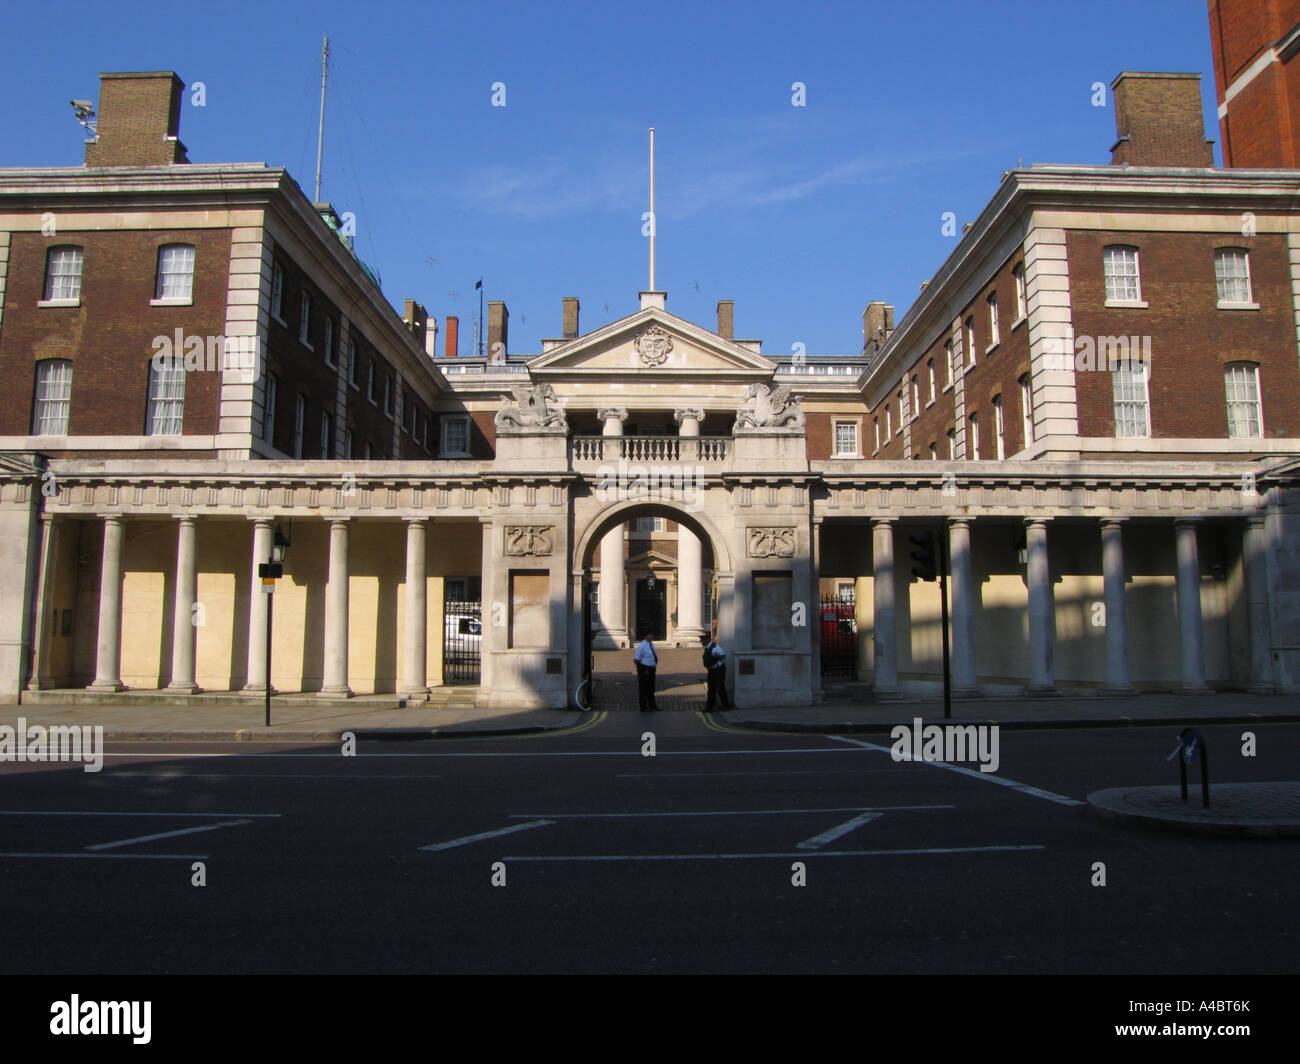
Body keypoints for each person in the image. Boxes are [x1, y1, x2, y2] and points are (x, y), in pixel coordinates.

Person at [703, 634, 732, 712]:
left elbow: (723, 656)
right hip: (712, 670)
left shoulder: (716, 647)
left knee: (720, 688)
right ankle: (709, 708)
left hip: (718, 669)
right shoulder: (708, 647)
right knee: (711, 689)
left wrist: (716, 655)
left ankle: (726, 705)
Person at [633, 630, 658, 712]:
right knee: (643, 689)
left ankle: (652, 705)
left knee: (651, 688)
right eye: (651, 635)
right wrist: (641, 670)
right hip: (644, 670)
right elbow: (636, 659)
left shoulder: (651, 644)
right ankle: (643, 707)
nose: (653, 637)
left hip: (651, 669)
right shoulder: (642, 646)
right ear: (647, 636)